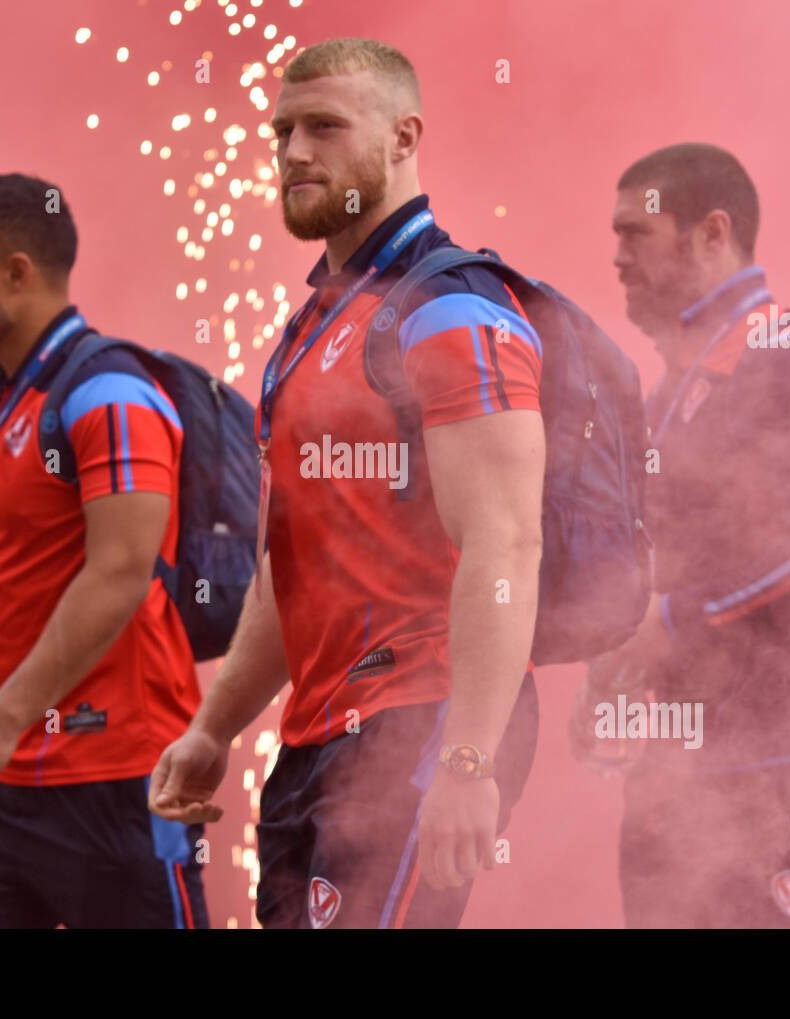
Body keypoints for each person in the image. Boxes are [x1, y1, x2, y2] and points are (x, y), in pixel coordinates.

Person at [149, 38, 544, 929]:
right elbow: (294, 567)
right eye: (281, 130)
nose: (293, 153)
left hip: (420, 721)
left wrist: (469, 758)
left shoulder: (452, 305)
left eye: (323, 127)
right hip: (318, 738)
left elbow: (507, 539)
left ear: (404, 137)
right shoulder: (310, 327)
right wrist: (215, 726)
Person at [588, 142, 790, 928]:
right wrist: (610, 671)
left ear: (713, 233)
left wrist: (669, 623)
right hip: (680, 775)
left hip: (789, 760)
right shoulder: (670, 394)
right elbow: (658, 573)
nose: (615, 257)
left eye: (635, 234)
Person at [0, 173, 208, 929]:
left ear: (16, 272)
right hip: (9, 781)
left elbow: (121, 572)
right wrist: (5, 731)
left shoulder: (109, 392)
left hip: (119, 782)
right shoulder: (14, 398)